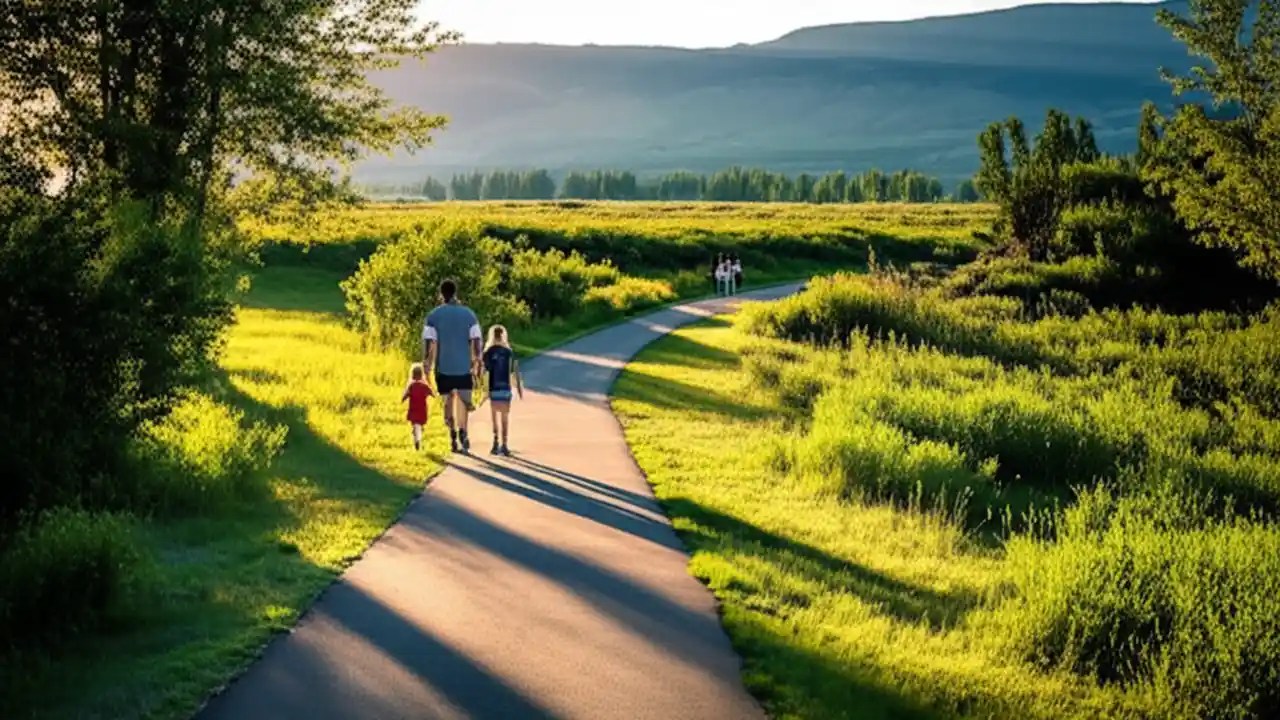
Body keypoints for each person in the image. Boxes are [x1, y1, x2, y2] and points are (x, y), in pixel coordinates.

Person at [423, 278, 483, 453]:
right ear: (455, 293)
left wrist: (427, 363)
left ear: (441, 294)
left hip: (444, 368)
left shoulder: (433, 316)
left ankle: (452, 435)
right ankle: (464, 431)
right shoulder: (469, 314)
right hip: (464, 367)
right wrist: (477, 360)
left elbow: (430, 342)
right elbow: (476, 339)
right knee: (464, 402)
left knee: (448, 401)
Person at [482, 325, 524, 456]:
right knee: (505, 417)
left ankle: (495, 442)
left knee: (494, 416)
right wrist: (519, 387)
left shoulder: (488, 353)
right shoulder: (509, 352)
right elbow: (515, 371)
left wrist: (483, 390)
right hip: (505, 388)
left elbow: (485, 372)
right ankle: (504, 445)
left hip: (493, 388)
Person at [401, 363, 434, 450]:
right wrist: (433, 394)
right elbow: (431, 392)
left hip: (413, 409)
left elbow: (406, 395)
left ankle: (416, 436)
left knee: (414, 423)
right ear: (421, 374)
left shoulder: (411, 386)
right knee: (420, 423)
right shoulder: (424, 386)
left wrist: (403, 399)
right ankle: (419, 434)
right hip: (422, 409)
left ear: (412, 375)